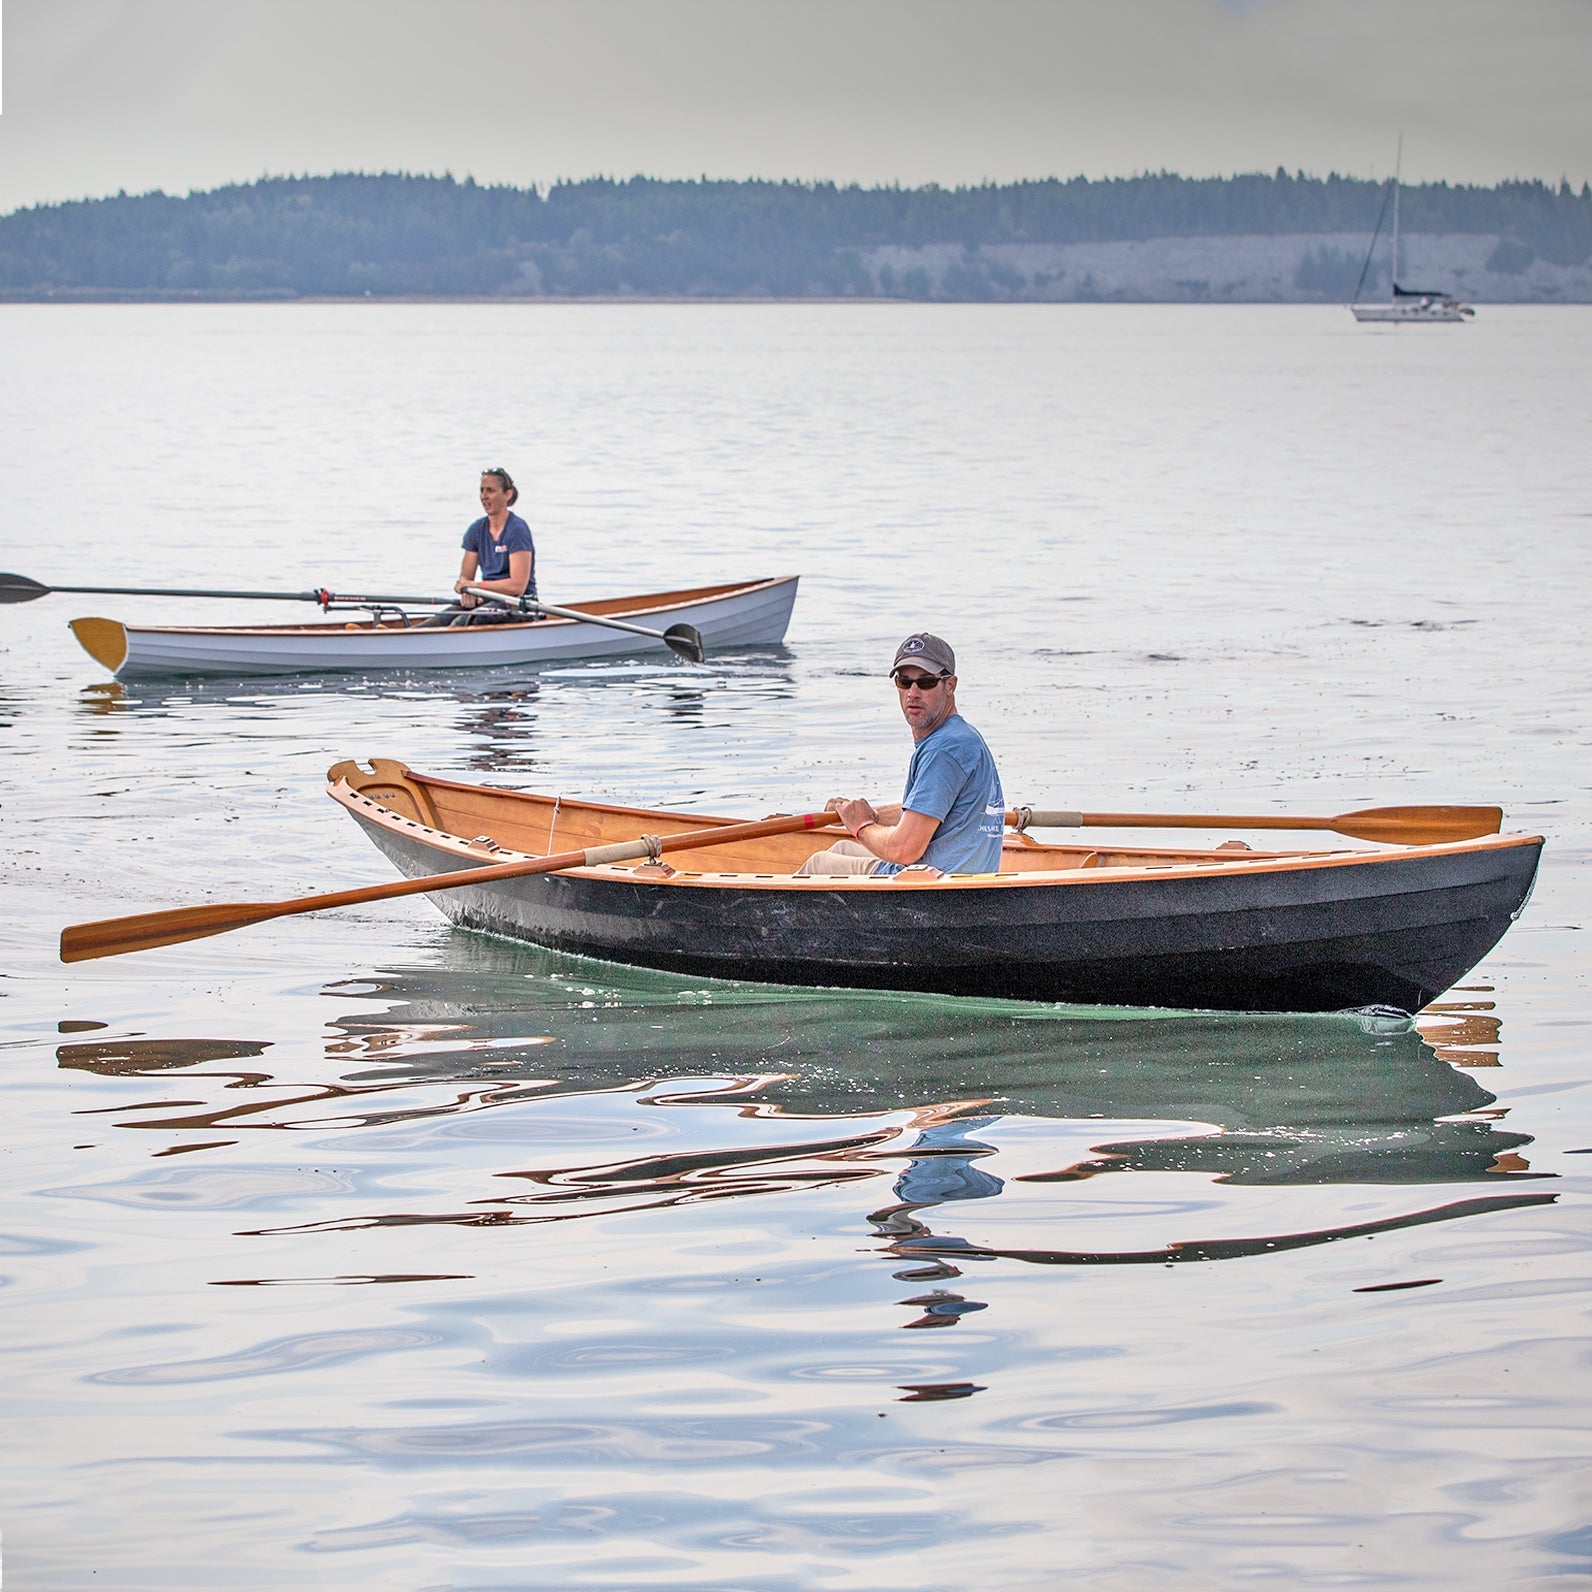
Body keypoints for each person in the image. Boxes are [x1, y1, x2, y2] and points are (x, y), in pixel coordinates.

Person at [798, 632, 1005, 877]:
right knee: (841, 847)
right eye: (904, 681)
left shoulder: (944, 750)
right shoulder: (962, 737)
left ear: (950, 685)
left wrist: (861, 826)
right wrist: (870, 815)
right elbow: (928, 808)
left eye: (925, 681)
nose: (913, 692)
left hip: (936, 889)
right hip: (959, 880)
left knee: (819, 864)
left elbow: (904, 849)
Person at [425, 468, 536, 625]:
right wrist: (466, 591)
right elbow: (465, 578)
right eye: (482, 491)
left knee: (461, 623)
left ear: (507, 494)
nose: (484, 496)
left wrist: (477, 586)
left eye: (490, 491)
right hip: (487, 599)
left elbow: (517, 586)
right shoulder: (476, 530)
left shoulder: (517, 529)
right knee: (437, 621)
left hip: (518, 603)